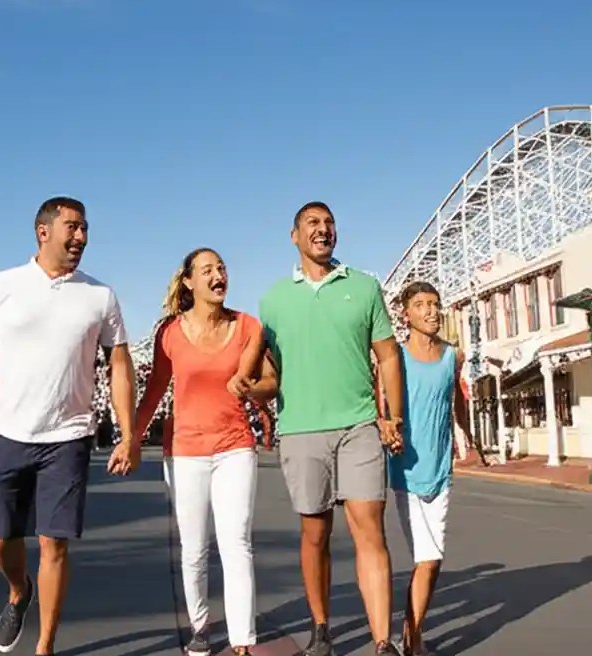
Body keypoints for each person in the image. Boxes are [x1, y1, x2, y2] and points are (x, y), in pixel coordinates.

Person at [0, 196, 141, 656]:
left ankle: (45, 647)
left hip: (69, 438)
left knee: (53, 545)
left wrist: (128, 432)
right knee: (2, 539)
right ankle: (19, 591)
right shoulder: (2, 286)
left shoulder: (100, 296)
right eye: (72, 227)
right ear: (43, 231)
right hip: (10, 434)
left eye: (85, 229)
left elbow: (119, 365)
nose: (80, 237)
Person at [253, 201, 406, 656]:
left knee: (369, 530)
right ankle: (321, 630)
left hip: (359, 425)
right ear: (295, 236)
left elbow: (389, 355)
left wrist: (392, 415)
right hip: (301, 430)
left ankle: (382, 641)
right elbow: (270, 375)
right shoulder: (273, 300)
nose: (322, 230)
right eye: (312, 224)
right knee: (315, 533)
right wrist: (250, 389)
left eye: (329, 223)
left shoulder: (363, 287)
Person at [135, 248, 268, 656]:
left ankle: (243, 639)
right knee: (194, 547)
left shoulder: (248, 326)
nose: (218, 275)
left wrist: (251, 390)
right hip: (186, 449)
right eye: (207, 269)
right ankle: (199, 627)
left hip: (234, 446)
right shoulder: (169, 333)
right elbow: (156, 387)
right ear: (189, 282)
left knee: (236, 542)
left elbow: (263, 382)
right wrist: (132, 438)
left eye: (222, 268)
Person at [388, 281, 485, 656]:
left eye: (434, 304)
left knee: (430, 559)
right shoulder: (394, 356)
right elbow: (382, 403)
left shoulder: (452, 357)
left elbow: (455, 399)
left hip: (441, 469)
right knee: (427, 559)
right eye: (421, 304)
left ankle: (411, 632)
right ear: (405, 313)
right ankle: (412, 638)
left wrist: (469, 435)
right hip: (405, 470)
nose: (430, 311)